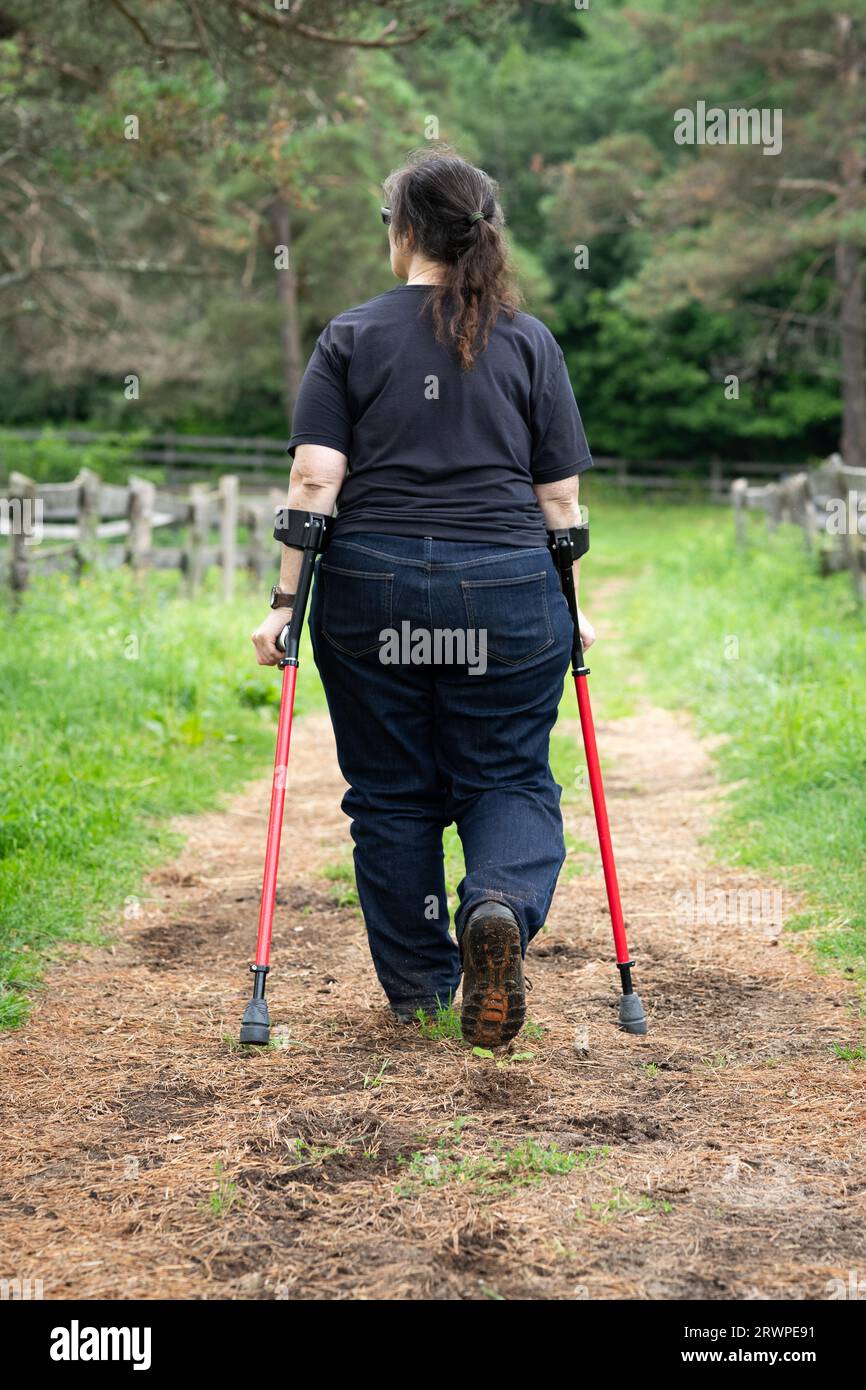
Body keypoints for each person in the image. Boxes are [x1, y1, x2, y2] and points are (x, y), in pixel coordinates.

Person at [252, 150, 595, 1047]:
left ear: (404, 232)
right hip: (509, 589)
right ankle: (500, 908)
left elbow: (314, 477)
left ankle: (421, 993)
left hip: (373, 587)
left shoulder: (352, 335)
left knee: (392, 792)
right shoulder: (529, 341)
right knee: (509, 773)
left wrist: (285, 604)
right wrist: (571, 604)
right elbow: (558, 502)